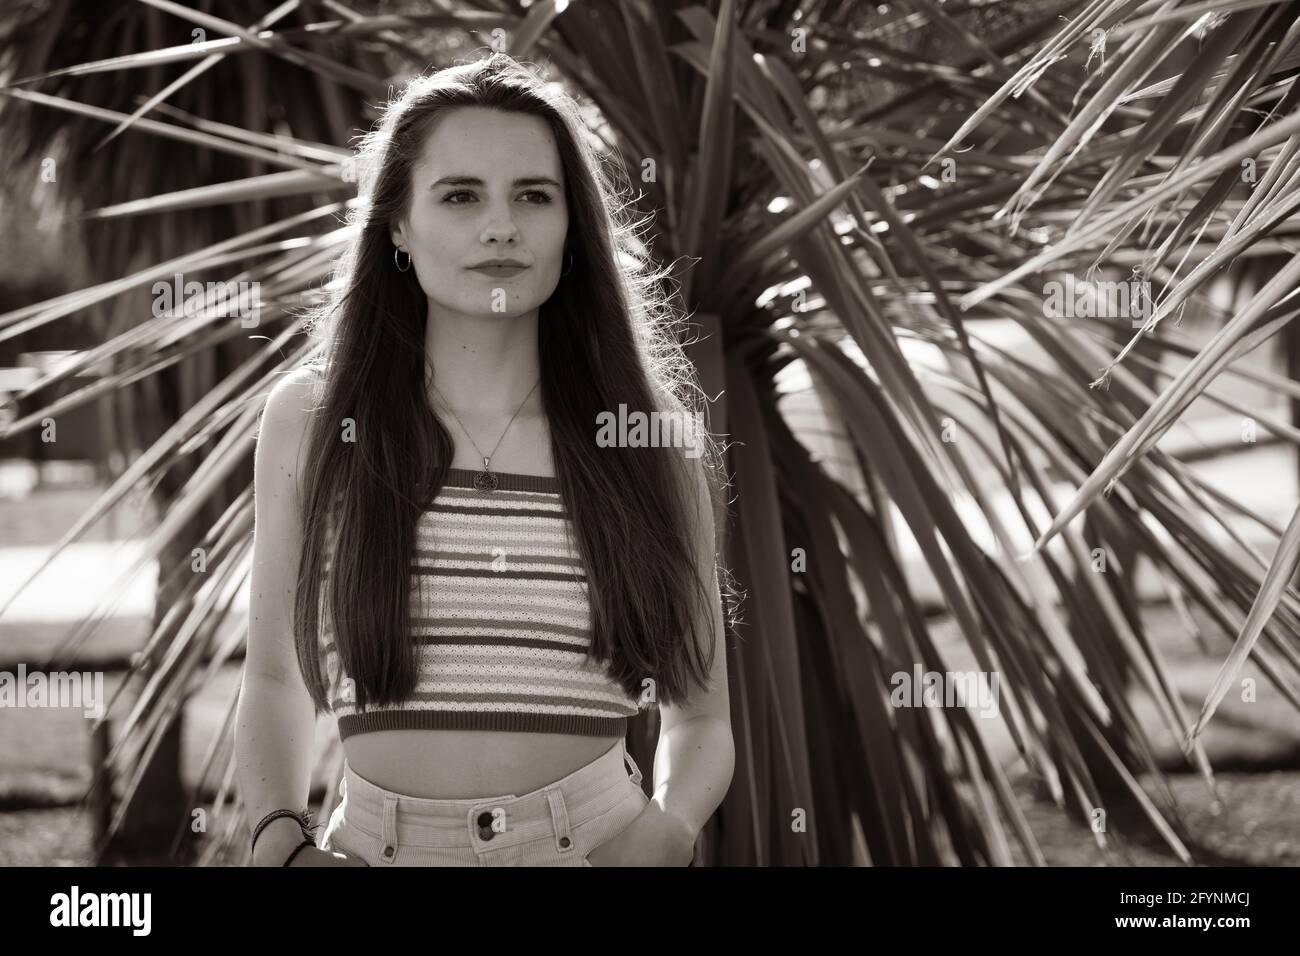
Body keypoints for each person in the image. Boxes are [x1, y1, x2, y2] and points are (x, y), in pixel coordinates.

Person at [235, 52, 735, 867]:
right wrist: (279, 847)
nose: (500, 225)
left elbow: (701, 720)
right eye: (460, 195)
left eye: (533, 196)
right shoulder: (315, 421)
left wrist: (663, 834)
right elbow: (273, 681)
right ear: (396, 223)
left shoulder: (648, 441)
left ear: (574, 229)